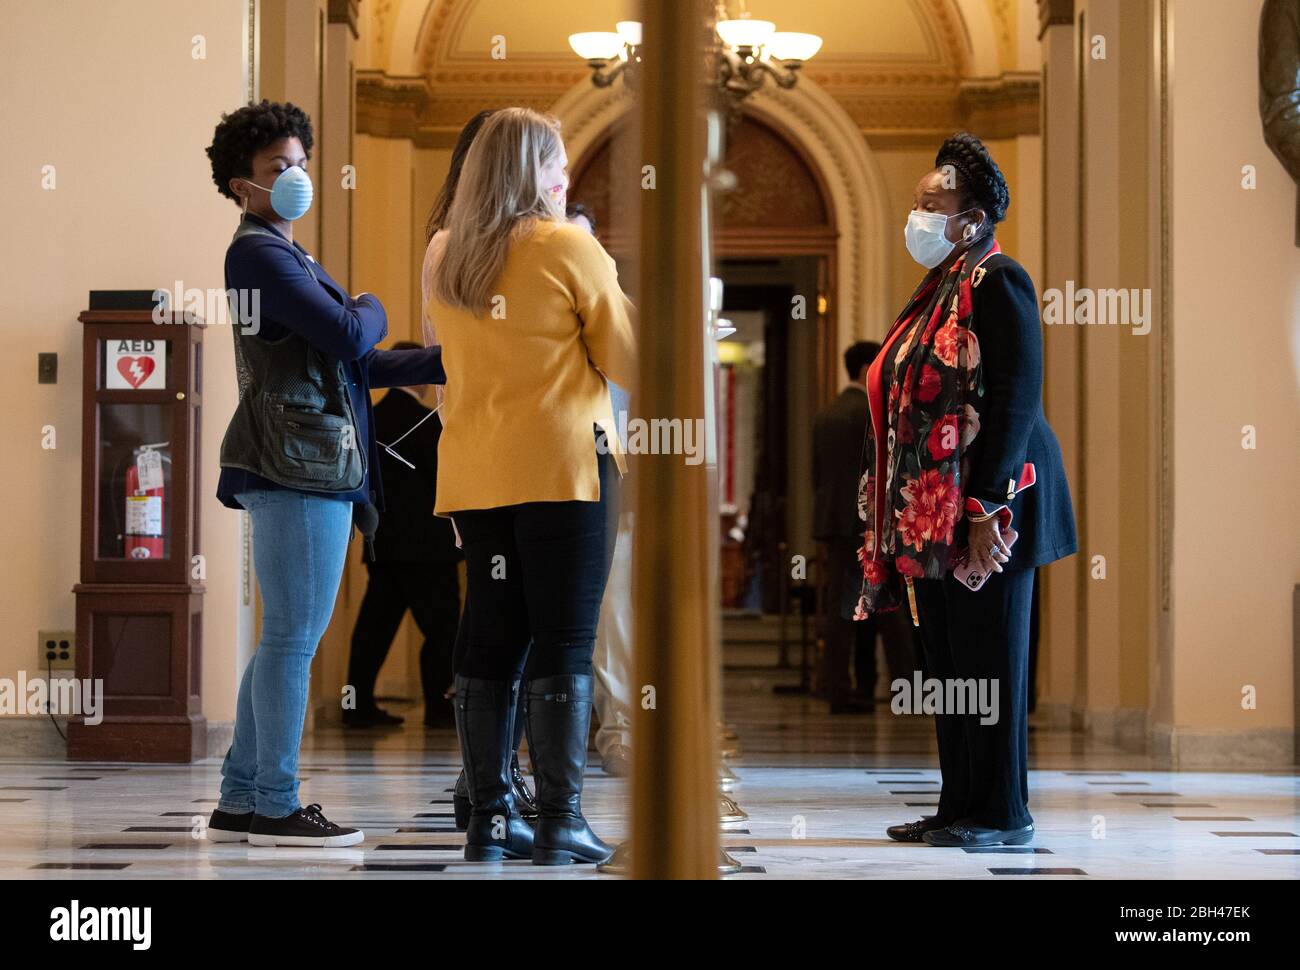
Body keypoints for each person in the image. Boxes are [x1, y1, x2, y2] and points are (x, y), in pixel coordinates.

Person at [202, 101, 446, 848]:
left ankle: (243, 795)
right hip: (301, 463)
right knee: (293, 639)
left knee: (284, 636)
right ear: (243, 184)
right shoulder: (259, 254)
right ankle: (275, 801)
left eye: (301, 162)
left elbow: (359, 360)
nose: (297, 176)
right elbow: (350, 331)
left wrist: (448, 363)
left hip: (309, 460)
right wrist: (369, 301)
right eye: (279, 168)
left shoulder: (288, 255)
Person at [854, 132, 1076, 848]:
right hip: (934, 513)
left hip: (990, 506)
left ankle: (1003, 813)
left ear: (972, 218)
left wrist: (988, 505)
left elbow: (1015, 397)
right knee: (948, 666)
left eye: (931, 203)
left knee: (991, 663)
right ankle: (959, 805)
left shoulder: (997, 279)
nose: (917, 215)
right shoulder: (939, 287)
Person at [425, 107, 635, 864]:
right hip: (562, 469)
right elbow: (631, 357)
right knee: (564, 642)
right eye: (556, 163)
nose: (565, 176)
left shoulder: (444, 254)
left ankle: (488, 817)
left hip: (478, 474)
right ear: (529, 171)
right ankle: (560, 820)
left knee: (490, 635)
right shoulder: (566, 246)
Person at [344, 340, 462, 729]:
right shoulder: (432, 421)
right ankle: (438, 707)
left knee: (373, 629)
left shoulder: (368, 418)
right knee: (443, 631)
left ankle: (356, 707)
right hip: (430, 548)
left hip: (383, 544)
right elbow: (447, 481)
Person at [567, 201, 634, 777]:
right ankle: (551, 739)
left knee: (612, 616)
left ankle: (619, 733)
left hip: (609, 470)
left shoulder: (611, 305)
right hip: (546, 469)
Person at [814, 341, 913, 714]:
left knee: (839, 610)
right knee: (889, 607)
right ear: (867, 368)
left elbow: (817, 475)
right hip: (870, 521)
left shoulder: (827, 414)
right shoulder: (871, 411)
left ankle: (837, 688)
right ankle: (907, 689)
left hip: (835, 523)